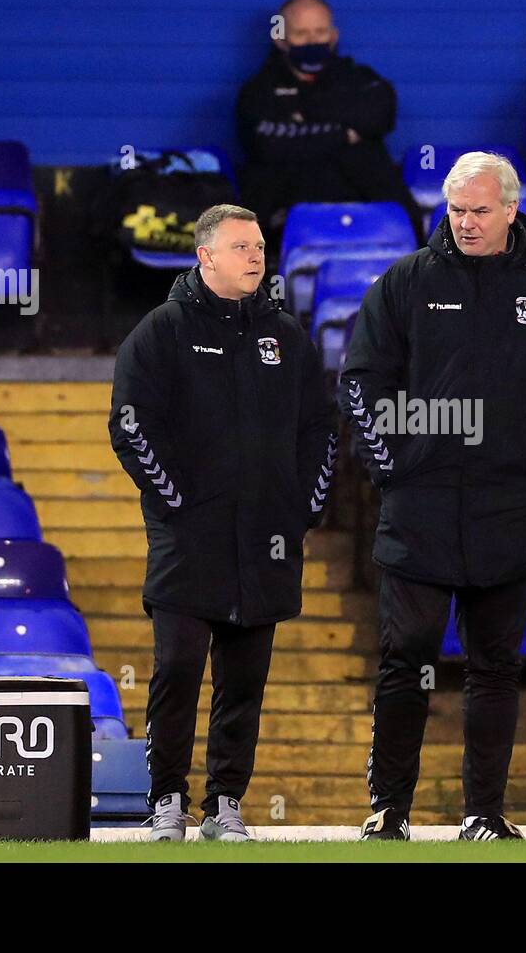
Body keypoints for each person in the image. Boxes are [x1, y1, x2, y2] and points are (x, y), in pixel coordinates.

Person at [340, 152, 526, 840]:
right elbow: (359, 382)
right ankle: (389, 811)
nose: (465, 223)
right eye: (455, 210)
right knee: (404, 659)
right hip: (421, 508)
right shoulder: (405, 282)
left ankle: (483, 814)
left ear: (510, 210)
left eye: (478, 211)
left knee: (496, 667)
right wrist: (393, 466)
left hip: (511, 507)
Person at [108, 204, 336, 841]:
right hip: (188, 541)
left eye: (260, 247)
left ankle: (227, 803)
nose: (257, 257)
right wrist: (176, 500)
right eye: (242, 247)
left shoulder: (287, 337)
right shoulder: (161, 332)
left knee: (245, 681)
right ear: (205, 256)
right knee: (177, 670)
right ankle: (166, 801)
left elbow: (320, 428)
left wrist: (304, 507)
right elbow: (130, 425)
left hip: (266, 543)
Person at [235, 0, 418, 242]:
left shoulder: (360, 79)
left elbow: (382, 114)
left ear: (333, 35)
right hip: (285, 215)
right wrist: (345, 133)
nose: (312, 41)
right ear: (280, 38)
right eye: (301, 33)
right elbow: (266, 146)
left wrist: (304, 116)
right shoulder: (259, 90)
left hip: (367, 205)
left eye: (320, 32)